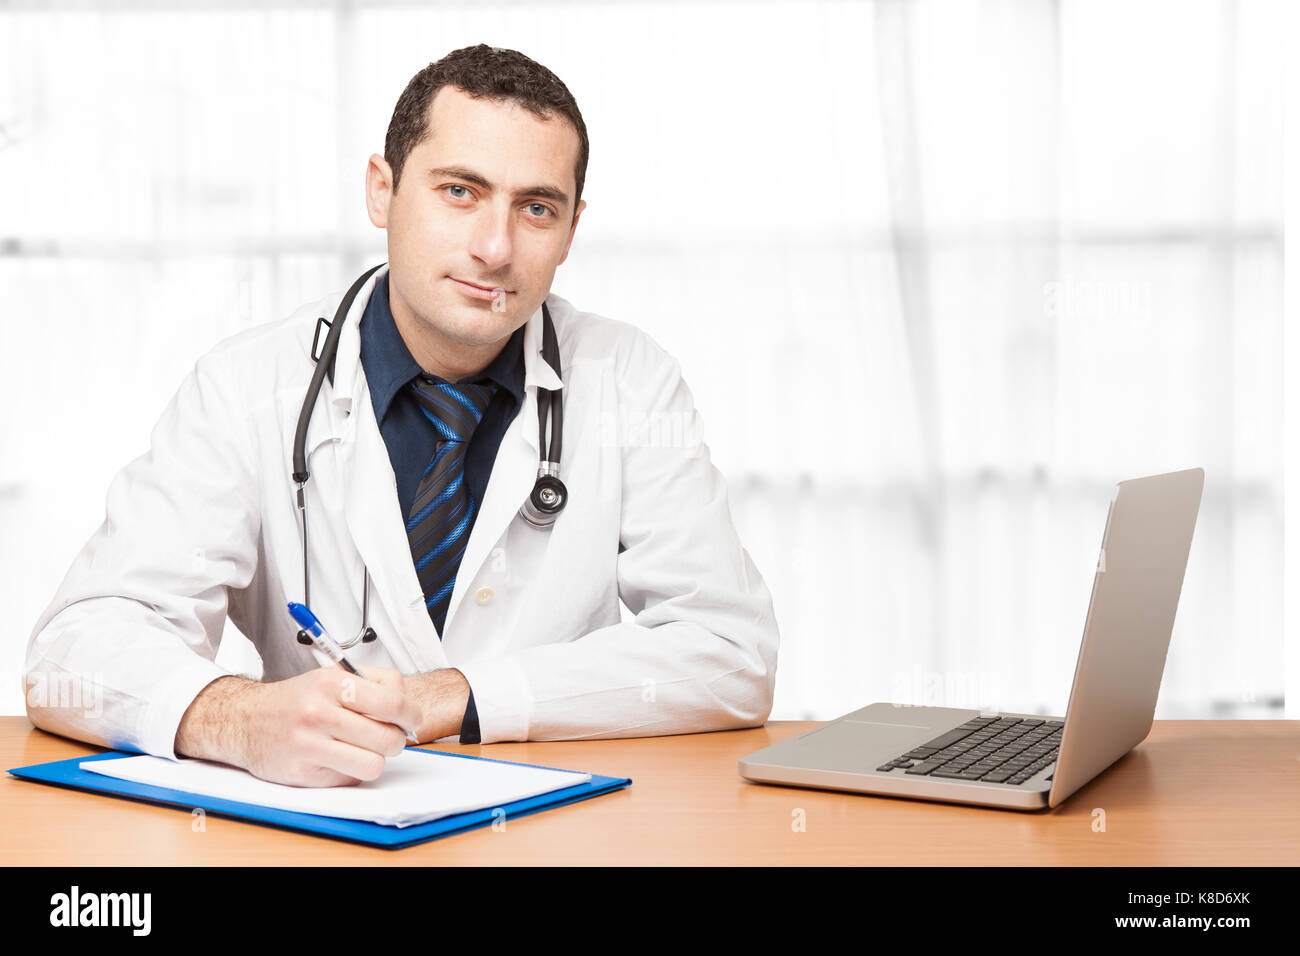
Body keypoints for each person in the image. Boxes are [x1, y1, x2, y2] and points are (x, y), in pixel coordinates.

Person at [24, 44, 779, 788]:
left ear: (572, 229)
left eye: (536, 208)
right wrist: (240, 719)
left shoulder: (630, 382)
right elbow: (74, 649)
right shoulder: (248, 386)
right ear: (382, 191)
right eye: (460, 191)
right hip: (318, 829)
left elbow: (729, 653)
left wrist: (454, 696)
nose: (494, 247)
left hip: (550, 826)